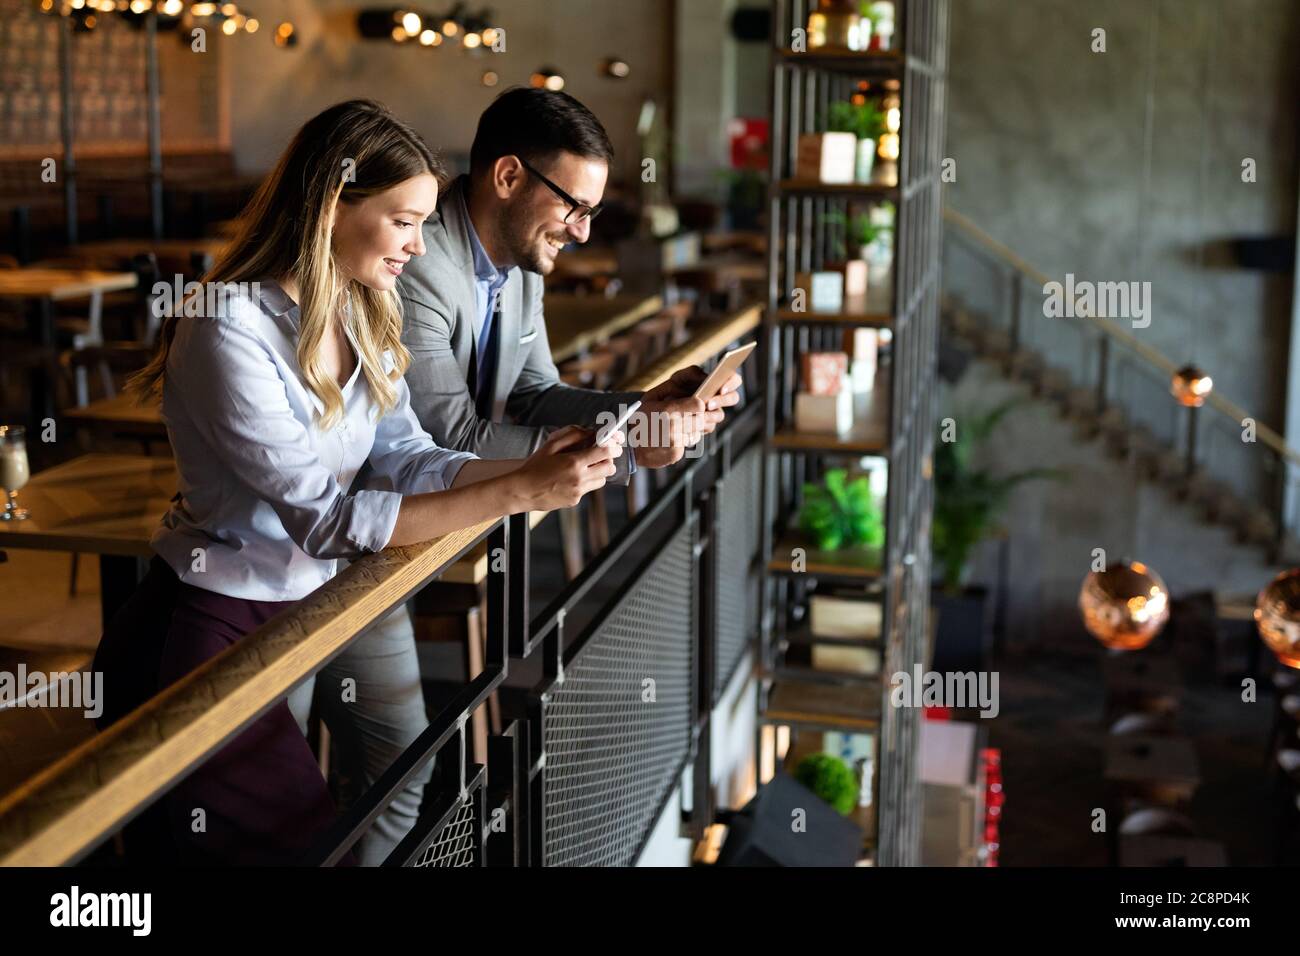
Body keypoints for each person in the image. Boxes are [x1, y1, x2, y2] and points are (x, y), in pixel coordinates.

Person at [92, 99, 622, 866]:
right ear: (333, 204)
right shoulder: (226, 324)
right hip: (209, 628)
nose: (417, 246)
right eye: (405, 221)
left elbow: (408, 456)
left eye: (422, 222)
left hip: (315, 605)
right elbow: (327, 518)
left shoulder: (361, 305)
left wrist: (539, 469)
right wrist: (517, 492)